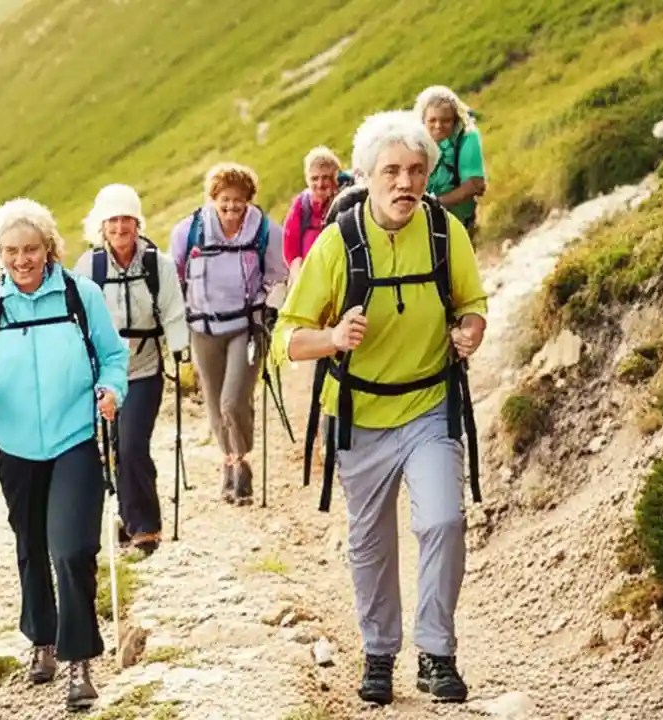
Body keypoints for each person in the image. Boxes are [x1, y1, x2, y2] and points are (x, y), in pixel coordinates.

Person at [276, 109, 488, 707]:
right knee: (370, 541)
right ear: (365, 175)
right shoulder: (338, 243)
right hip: (358, 415)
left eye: (416, 170)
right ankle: (378, 653)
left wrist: (470, 330)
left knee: (443, 520)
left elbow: (472, 302)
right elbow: (287, 336)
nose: (405, 182)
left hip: (428, 405)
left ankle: (437, 652)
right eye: (391, 170)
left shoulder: (447, 231)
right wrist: (334, 337)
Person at [0, 197, 129, 712]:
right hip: (14, 445)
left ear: (49, 248)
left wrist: (112, 390)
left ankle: (79, 660)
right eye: (12, 251)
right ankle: (42, 640)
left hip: (74, 437)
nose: (23, 260)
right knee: (30, 545)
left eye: (32, 249)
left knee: (72, 549)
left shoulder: (80, 294)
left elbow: (113, 357)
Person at [72, 183, 189, 556]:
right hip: (106, 371)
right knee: (116, 446)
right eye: (113, 220)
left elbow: (173, 308)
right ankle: (128, 515)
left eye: (127, 219)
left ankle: (146, 526)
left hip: (144, 366)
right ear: (102, 226)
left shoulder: (159, 264)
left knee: (134, 442)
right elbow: (76, 316)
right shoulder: (89, 267)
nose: (120, 227)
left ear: (137, 223)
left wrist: (180, 347)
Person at [168, 162, 288, 505]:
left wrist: (267, 309)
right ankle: (229, 463)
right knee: (214, 401)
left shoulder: (265, 231)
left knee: (233, 401)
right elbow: (173, 276)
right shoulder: (188, 231)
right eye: (224, 199)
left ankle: (242, 460)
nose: (231, 207)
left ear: (248, 200)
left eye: (238, 200)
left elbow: (278, 276)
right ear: (213, 198)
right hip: (202, 327)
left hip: (246, 327)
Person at [415, 85, 487, 237]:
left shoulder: (467, 138)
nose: (438, 126)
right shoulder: (414, 142)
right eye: (432, 120)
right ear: (423, 120)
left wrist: (434, 204)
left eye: (446, 120)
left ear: (456, 120)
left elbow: (475, 184)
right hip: (422, 223)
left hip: (459, 222)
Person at [282, 146, 350, 283]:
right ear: (307, 180)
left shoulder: (347, 200)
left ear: (336, 177)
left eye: (325, 177)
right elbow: (291, 249)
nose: (319, 184)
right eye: (314, 178)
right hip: (310, 279)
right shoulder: (302, 204)